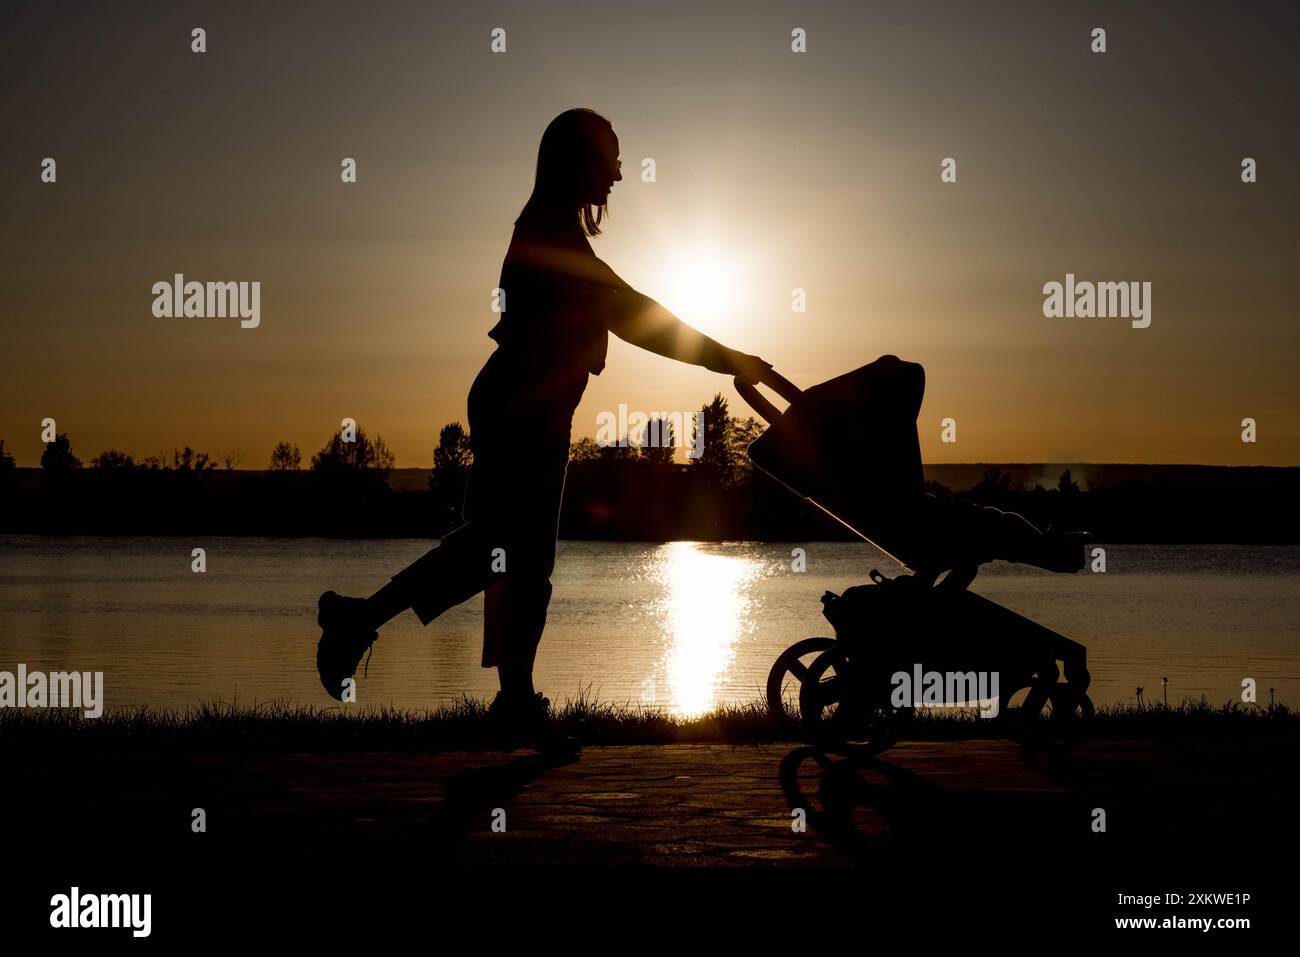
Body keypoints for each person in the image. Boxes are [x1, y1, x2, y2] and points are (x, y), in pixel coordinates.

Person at [315, 108, 771, 754]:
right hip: (521, 408)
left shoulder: (556, 233)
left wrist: (723, 357)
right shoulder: (552, 236)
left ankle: (505, 699)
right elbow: (640, 316)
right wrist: (727, 358)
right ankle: (373, 625)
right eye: (611, 157)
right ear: (579, 162)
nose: (618, 172)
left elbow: (629, 313)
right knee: (509, 552)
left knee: (516, 559)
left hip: (530, 408)